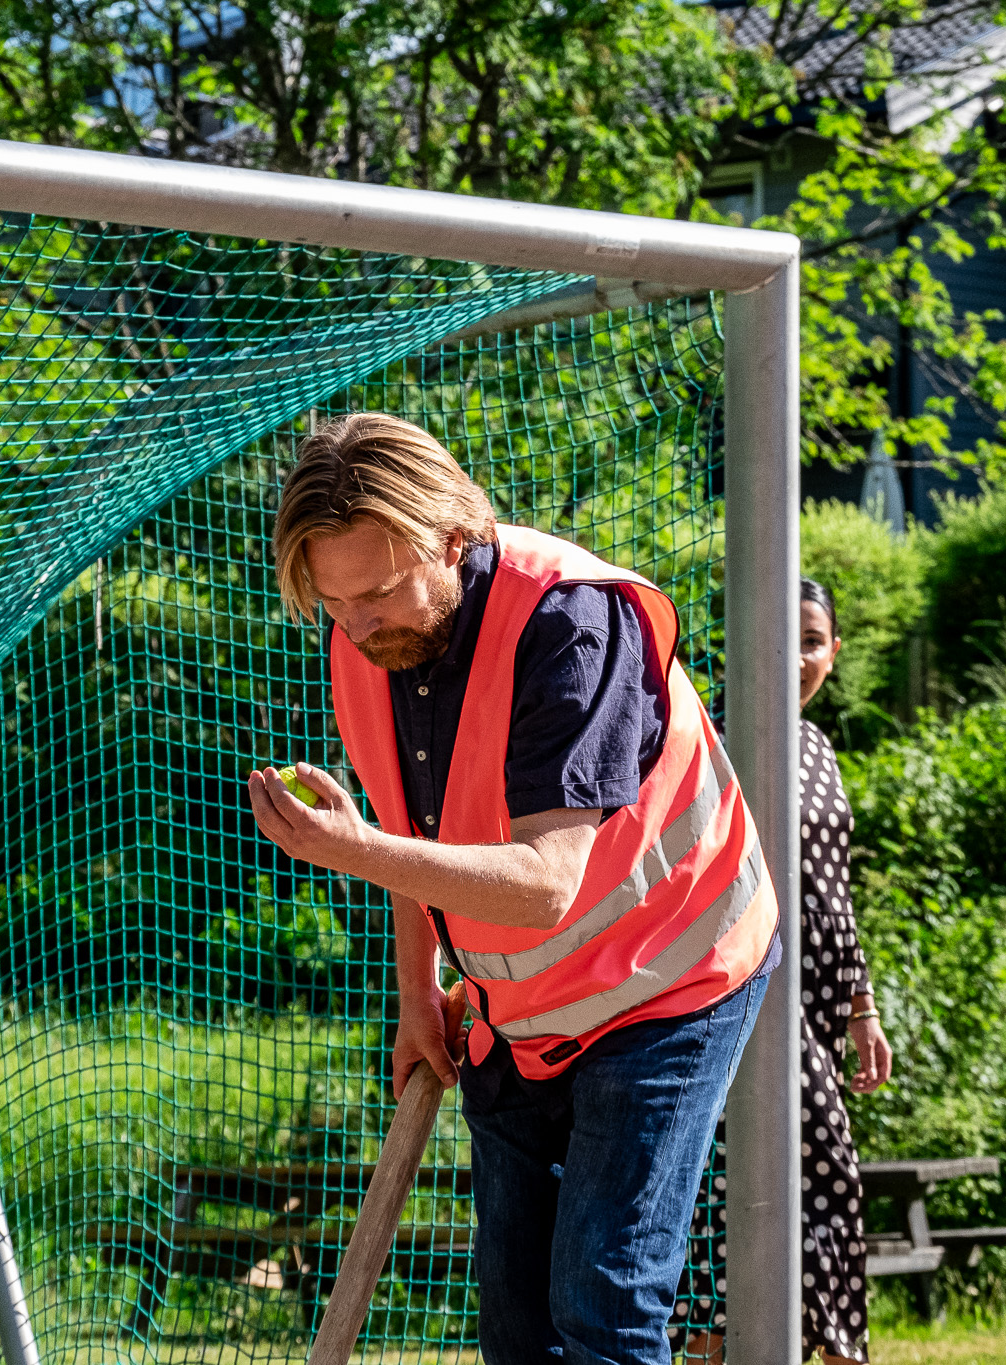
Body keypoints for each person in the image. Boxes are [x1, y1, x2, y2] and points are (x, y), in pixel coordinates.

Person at [244, 414, 781, 1365]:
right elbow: (417, 833)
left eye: (377, 593)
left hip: (669, 978)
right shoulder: (372, 646)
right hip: (518, 1009)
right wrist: (417, 996)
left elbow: (542, 887)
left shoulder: (571, 625)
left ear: (454, 537)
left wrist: (352, 850)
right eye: (334, 604)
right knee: (518, 1332)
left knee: (603, 1306)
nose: (359, 626)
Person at [669, 576, 895, 1365]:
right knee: (742, 1186)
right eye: (778, 638)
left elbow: (831, 887)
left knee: (822, 1181)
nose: (795, 657)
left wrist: (861, 1003)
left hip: (815, 1006)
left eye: (811, 640)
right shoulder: (714, 737)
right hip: (733, 991)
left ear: (834, 650)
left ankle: (824, 1346)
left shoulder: (819, 748)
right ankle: (724, 1346)